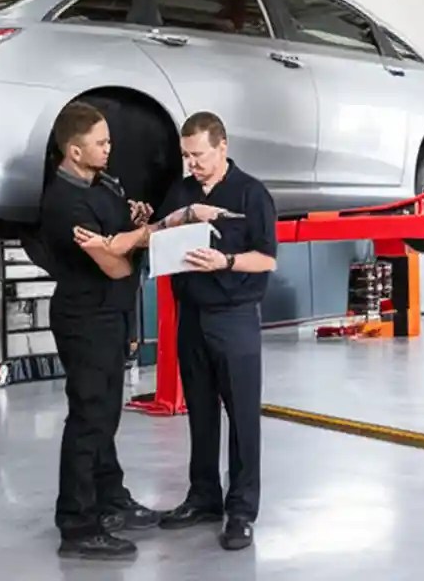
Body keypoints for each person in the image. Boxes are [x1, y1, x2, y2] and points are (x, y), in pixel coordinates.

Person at [37, 100, 163, 560]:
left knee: (106, 416)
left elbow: (119, 243)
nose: (110, 148)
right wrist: (138, 239)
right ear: (74, 150)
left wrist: (131, 225)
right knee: (89, 419)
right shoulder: (64, 202)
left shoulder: (104, 186)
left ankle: (111, 501)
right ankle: (76, 524)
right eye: (101, 142)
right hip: (85, 317)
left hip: (112, 315)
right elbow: (114, 268)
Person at [150, 111, 278, 551]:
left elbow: (267, 259)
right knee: (201, 413)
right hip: (192, 317)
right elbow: (156, 236)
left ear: (222, 146)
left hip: (235, 316)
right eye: (187, 156)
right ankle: (203, 497)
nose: (193, 164)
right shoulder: (182, 193)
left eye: (199, 155)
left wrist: (225, 261)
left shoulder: (252, 193)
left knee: (242, 417)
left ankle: (241, 510)